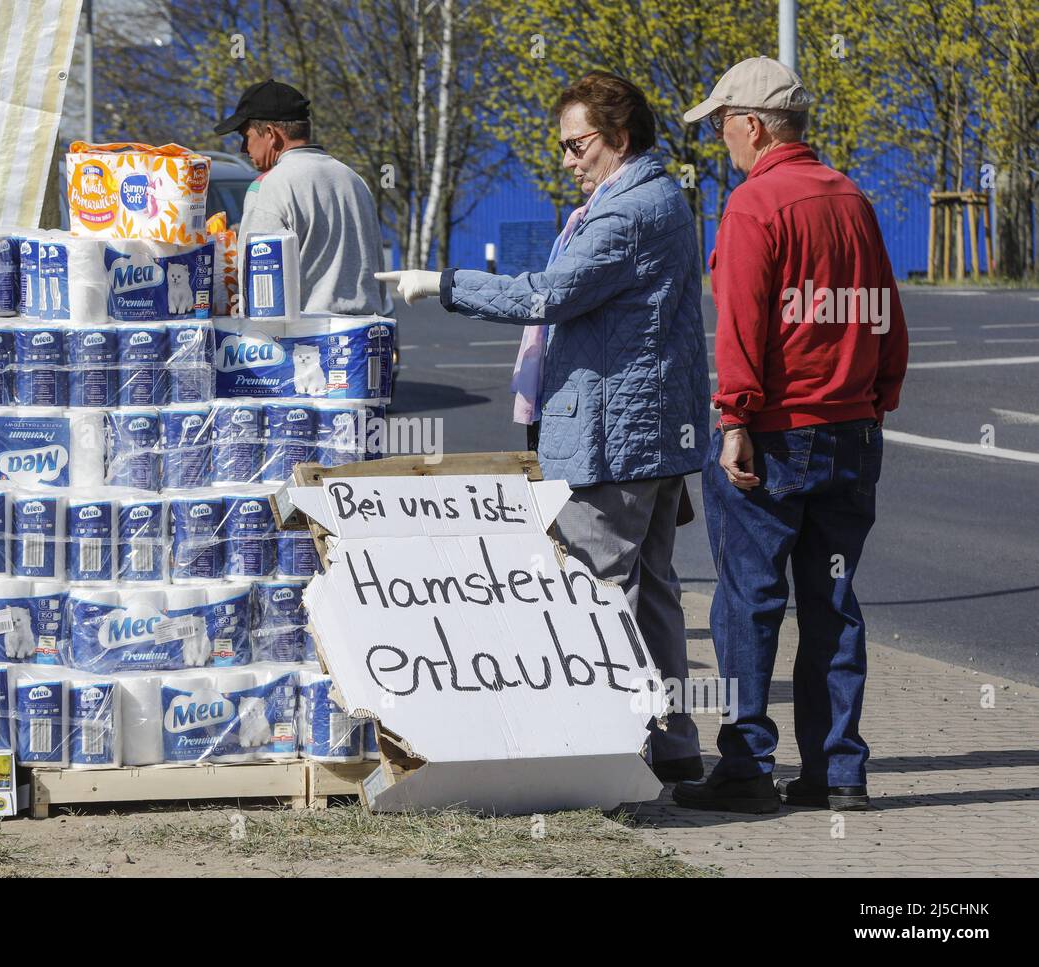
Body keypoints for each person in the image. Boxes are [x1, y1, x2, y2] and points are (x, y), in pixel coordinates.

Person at [377, 72, 710, 783]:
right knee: (652, 593)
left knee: (597, 594)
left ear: (618, 138)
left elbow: (550, 294)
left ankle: (606, 754)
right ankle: (673, 745)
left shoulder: (627, 213)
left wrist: (444, 285)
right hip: (643, 433)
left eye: (576, 145)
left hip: (612, 438)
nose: (566, 160)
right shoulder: (651, 198)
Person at [672, 57, 909, 814]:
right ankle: (838, 770)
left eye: (720, 126)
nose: (720, 140)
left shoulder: (754, 205)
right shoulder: (852, 199)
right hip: (851, 431)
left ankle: (745, 766)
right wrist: (876, 399)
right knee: (832, 599)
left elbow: (741, 326)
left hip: (775, 435)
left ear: (752, 125)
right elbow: (887, 318)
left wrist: (735, 417)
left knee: (749, 601)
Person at [214, 78, 388, 316]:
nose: (244, 149)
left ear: (271, 134)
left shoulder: (271, 185)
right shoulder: (354, 179)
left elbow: (257, 285)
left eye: (246, 136)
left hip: (308, 339)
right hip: (365, 335)